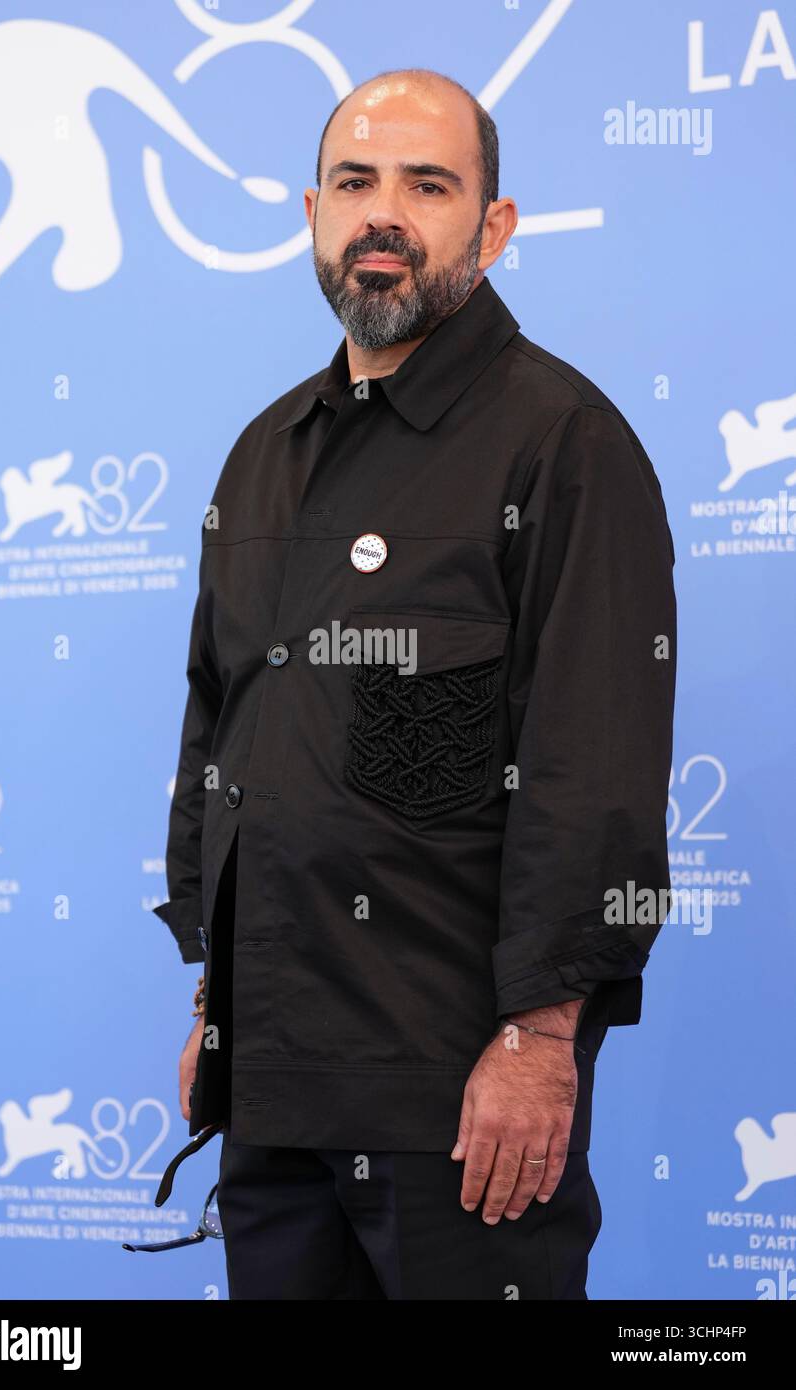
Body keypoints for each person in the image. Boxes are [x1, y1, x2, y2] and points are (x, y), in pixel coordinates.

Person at [151, 67, 677, 1300]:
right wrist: (213, 998)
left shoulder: (563, 442)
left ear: (491, 229)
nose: (382, 213)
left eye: (426, 184)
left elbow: (590, 764)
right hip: (271, 1075)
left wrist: (542, 1042)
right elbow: (223, 731)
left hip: (455, 1099)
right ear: (310, 212)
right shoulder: (264, 451)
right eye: (354, 181)